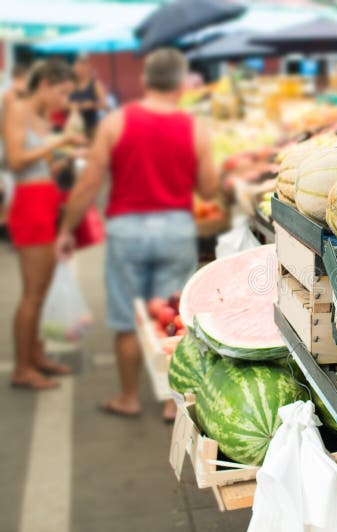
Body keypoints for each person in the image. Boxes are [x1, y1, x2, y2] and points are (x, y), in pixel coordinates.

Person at [57, 49, 217, 418]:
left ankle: (128, 397)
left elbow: (87, 184)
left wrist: (67, 230)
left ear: (145, 81)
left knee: (129, 319)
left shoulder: (115, 122)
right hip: (176, 228)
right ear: (180, 84)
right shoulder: (194, 128)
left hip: (127, 231)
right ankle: (169, 402)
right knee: (173, 316)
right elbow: (208, 189)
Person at [3, 59, 85, 390]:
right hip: (29, 205)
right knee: (33, 294)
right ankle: (22, 368)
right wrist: (59, 141)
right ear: (45, 83)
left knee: (43, 288)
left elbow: (39, 166)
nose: (64, 101)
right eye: (62, 92)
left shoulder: (39, 117)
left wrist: (68, 155)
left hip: (45, 200)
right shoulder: (17, 109)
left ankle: (35, 355)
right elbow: (16, 160)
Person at [1, 64, 30, 231]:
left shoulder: (24, 97)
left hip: (18, 150)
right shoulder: (7, 97)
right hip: (9, 152)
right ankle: (8, 223)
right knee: (11, 192)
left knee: (15, 190)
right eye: (21, 80)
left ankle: (11, 223)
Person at [70, 56, 108, 138]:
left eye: (83, 66)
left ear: (88, 67)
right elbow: (64, 103)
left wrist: (92, 105)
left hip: (91, 128)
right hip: (73, 128)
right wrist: (73, 106)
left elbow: (105, 105)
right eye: (77, 66)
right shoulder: (71, 84)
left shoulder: (95, 85)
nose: (80, 69)